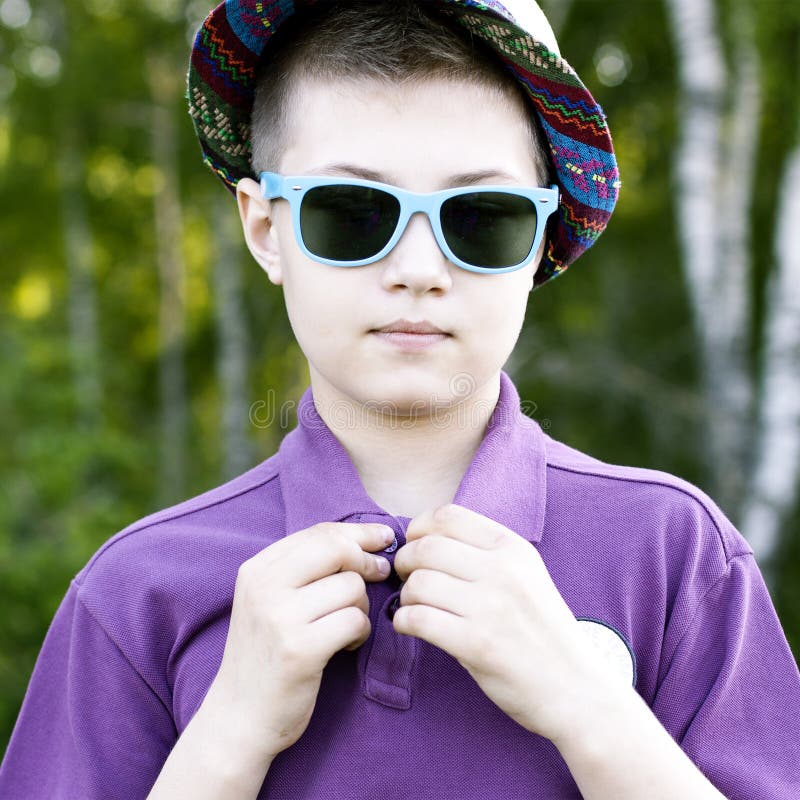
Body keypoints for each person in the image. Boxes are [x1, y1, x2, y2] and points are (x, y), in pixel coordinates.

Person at [1, 1, 798, 798]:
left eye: (482, 218)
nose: (418, 269)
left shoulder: (675, 557)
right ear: (266, 229)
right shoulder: (135, 595)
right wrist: (225, 737)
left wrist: (591, 712)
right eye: (352, 213)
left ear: (538, 243)